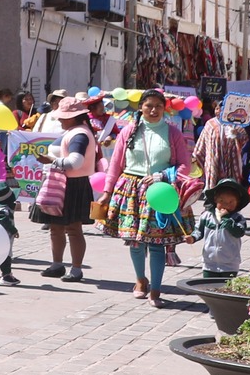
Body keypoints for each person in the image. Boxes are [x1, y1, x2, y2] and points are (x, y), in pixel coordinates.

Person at [98, 88, 192, 308]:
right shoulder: (129, 131)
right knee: (136, 241)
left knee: (157, 243)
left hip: (160, 191)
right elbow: (116, 164)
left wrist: (163, 175)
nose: (153, 110)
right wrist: (106, 192)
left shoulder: (173, 133)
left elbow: (185, 166)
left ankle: (156, 289)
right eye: (149, 105)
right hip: (131, 191)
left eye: (158, 106)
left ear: (164, 109)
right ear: (140, 107)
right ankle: (140, 280)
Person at [32, 95, 98, 282]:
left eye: (62, 116)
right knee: (56, 227)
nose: (58, 119)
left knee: (73, 229)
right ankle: (57, 265)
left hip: (73, 185)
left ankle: (76, 269)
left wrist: (51, 160)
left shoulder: (79, 135)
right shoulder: (75, 131)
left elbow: (75, 162)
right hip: (63, 183)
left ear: (74, 116)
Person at [189, 178, 248, 277]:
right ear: (215, 199)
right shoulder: (207, 216)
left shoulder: (238, 218)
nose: (226, 205)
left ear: (237, 202)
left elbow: (239, 232)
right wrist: (192, 238)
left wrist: (226, 218)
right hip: (209, 263)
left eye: (231, 202)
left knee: (226, 289)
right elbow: (199, 231)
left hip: (230, 264)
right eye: (222, 201)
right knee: (208, 287)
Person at [195, 99, 248, 192]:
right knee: (212, 188)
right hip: (213, 161)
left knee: (230, 189)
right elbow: (202, 142)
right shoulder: (210, 124)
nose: (218, 111)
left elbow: (244, 140)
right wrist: (196, 156)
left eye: (222, 109)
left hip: (231, 162)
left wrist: (237, 134)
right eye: (217, 109)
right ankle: (210, 204)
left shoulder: (236, 124)